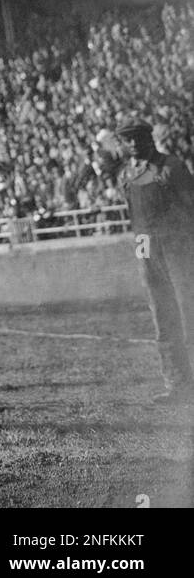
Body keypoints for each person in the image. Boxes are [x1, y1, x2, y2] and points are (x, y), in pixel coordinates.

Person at [114, 120, 194, 405]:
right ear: (122, 144)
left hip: (178, 246)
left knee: (189, 312)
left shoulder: (170, 168)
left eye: (139, 138)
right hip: (147, 250)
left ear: (150, 138)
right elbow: (135, 217)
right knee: (163, 316)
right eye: (128, 140)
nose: (134, 144)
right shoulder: (126, 175)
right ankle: (178, 385)